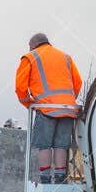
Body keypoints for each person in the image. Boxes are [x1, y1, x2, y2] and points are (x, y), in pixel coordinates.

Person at [14, 33, 82, 183]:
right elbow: (78, 83)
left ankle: (45, 179)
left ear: (33, 45)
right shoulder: (65, 57)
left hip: (46, 108)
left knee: (44, 145)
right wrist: (66, 101)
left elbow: (20, 88)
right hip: (68, 109)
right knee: (61, 146)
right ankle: (59, 179)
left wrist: (30, 104)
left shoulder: (29, 57)